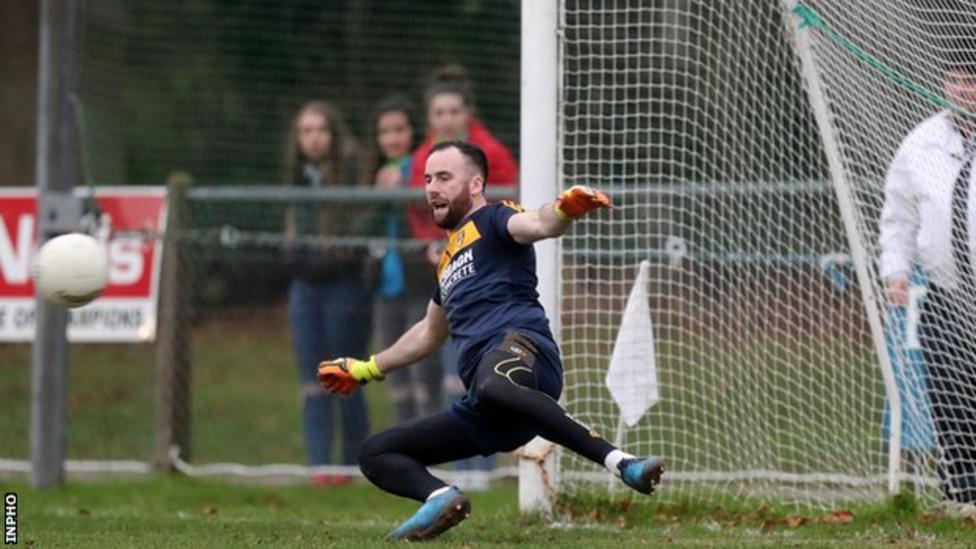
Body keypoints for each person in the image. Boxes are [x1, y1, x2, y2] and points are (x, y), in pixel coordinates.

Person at [317, 141, 664, 540]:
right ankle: (441, 498)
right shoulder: (447, 260)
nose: (431, 188)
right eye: (428, 179)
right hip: (488, 403)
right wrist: (367, 368)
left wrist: (565, 209)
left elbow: (537, 223)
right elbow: (429, 333)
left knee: (493, 382)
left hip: (526, 352)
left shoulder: (496, 217)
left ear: (477, 183)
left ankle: (622, 463)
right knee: (375, 453)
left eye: (444, 178)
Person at [879, 41, 976, 503]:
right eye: (956, 81)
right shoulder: (921, 143)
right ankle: (961, 492)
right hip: (945, 292)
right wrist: (895, 270)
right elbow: (898, 216)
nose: (964, 90)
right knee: (950, 393)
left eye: (972, 81)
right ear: (943, 85)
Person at [281, 100, 370, 486]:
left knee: (345, 375)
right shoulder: (296, 178)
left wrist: (338, 255)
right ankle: (320, 466)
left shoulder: (351, 174)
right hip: (304, 286)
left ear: (333, 134)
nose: (314, 138)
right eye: (306, 130)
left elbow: (357, 235)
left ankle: (352, 465)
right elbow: (290, 237)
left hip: (343, 286)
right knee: (310, 378)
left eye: (320, 129)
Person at [363, 95, 443, 422]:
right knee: (396, 379)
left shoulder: (426, 167)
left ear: (413, 131)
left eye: (399, 130)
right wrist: (381, 198)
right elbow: (364, 225)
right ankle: (404, 456)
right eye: (385, 132)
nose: (392, 138)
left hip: (420, 283)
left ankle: (433, 452)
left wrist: (403, 191)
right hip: (386, 285)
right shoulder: (375, 172)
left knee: (425, 378)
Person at [406, 64, 518, 245]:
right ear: (429, 117)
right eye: (439, 113)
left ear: (468, 113)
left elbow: (510, 197)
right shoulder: (421, 157)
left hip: (487, 242)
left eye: (454, 112)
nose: (447, 120)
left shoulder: (492, 151)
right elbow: (418, 208)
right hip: (437, 247)